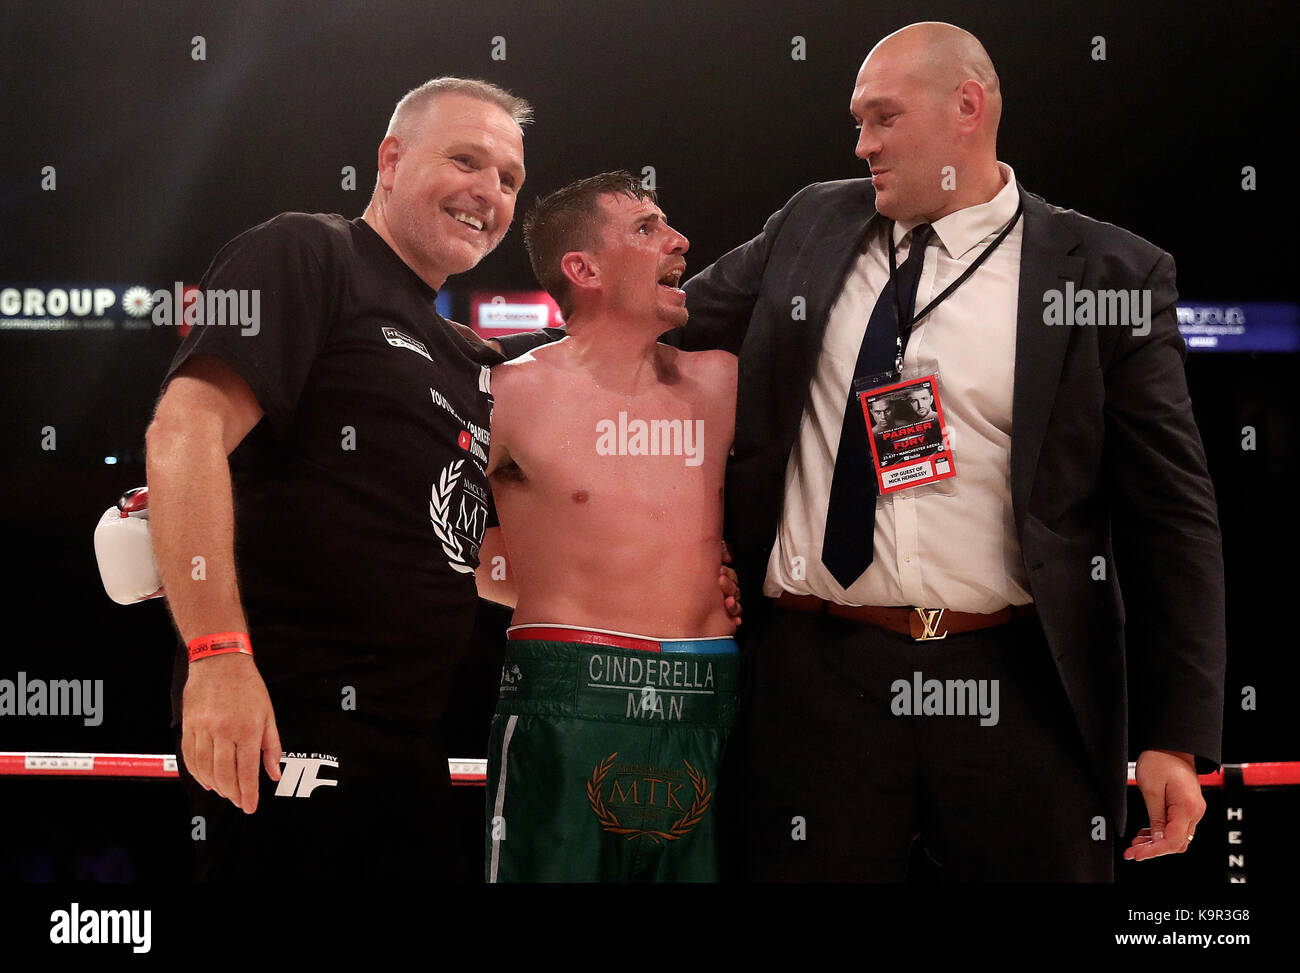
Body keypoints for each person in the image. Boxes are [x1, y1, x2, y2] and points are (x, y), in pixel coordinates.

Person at [500, 22, 1226, 881]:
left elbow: (1172, 513)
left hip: (1018, 686)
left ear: (968, 107)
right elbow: (648, 333)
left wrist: (1177, 734)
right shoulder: (812, 222)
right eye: (857, 121)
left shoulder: (1109, 271)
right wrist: (496, 379)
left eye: (883, 118)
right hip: (814, 677)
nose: (862, 143)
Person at [145, 78, 531, 881]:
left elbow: (460, 553)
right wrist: (217, 655)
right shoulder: (308, 251)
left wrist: (662, 594)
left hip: (409, 739)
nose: (488, 192)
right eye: (466, 159)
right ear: (390, 159)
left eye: (508, 179)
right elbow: (186, 433)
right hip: (289, 717)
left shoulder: (465, 357)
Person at [478, 172, 741, 882]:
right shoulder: (507, 395)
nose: (680, 241)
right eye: (647, 227)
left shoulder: (722, 381)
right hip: (566, 698)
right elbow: (441, 536)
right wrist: (567, 583)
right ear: (583, 269)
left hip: (709, 696)